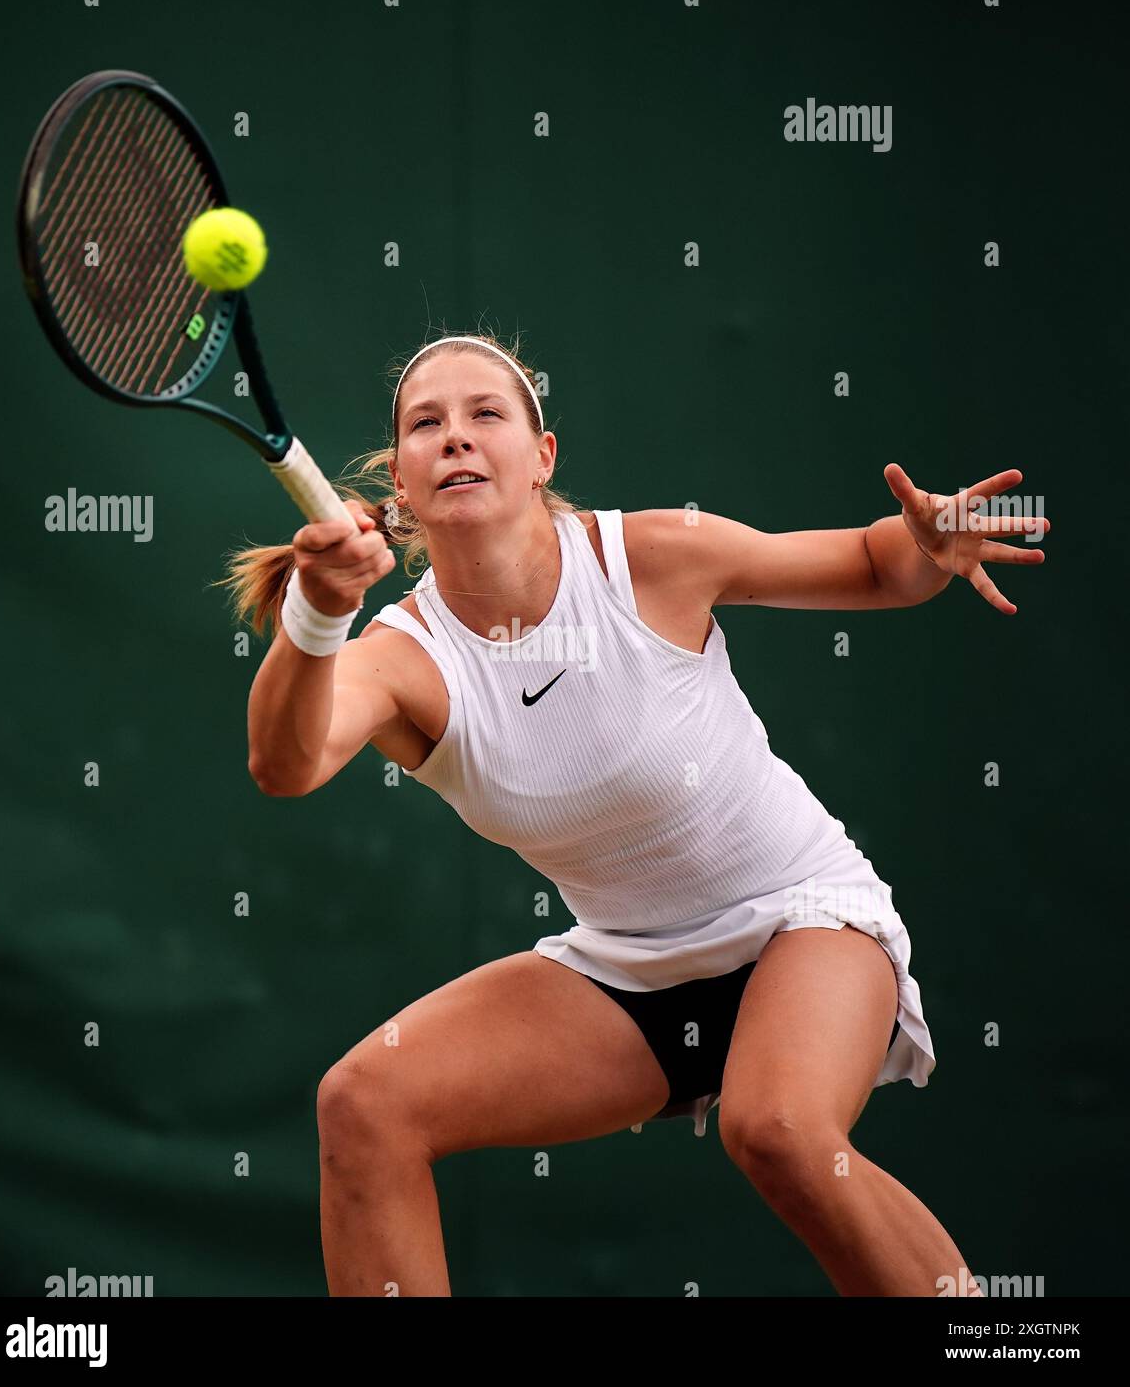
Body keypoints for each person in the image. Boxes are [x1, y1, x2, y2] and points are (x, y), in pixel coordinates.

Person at [219, 332, 1048, 1297]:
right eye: (426, 425)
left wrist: (927, 546)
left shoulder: (648, 556)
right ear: (398, 483)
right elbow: (284, 765)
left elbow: (872, 565)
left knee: (776, 1129)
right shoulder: (408, 661)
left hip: (805, 915)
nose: (457, 439)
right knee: (366, 1103)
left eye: (487, 415)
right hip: (633, 970)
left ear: (543, 459)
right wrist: (317, 614)